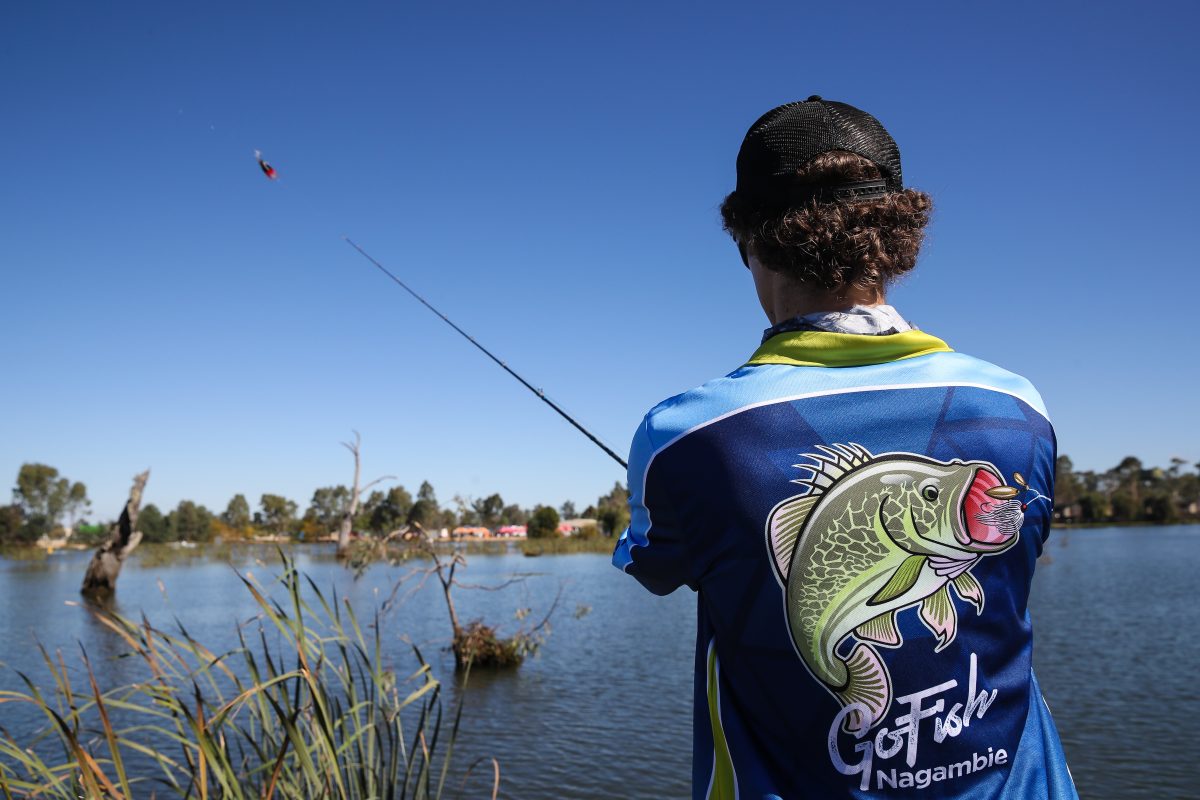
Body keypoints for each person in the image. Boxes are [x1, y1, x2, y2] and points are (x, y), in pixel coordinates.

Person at [612, 97, 1077, 799]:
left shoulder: (684, 437)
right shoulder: (1019, 409)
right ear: (899, 239)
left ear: (748, 241)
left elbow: (652, 566)